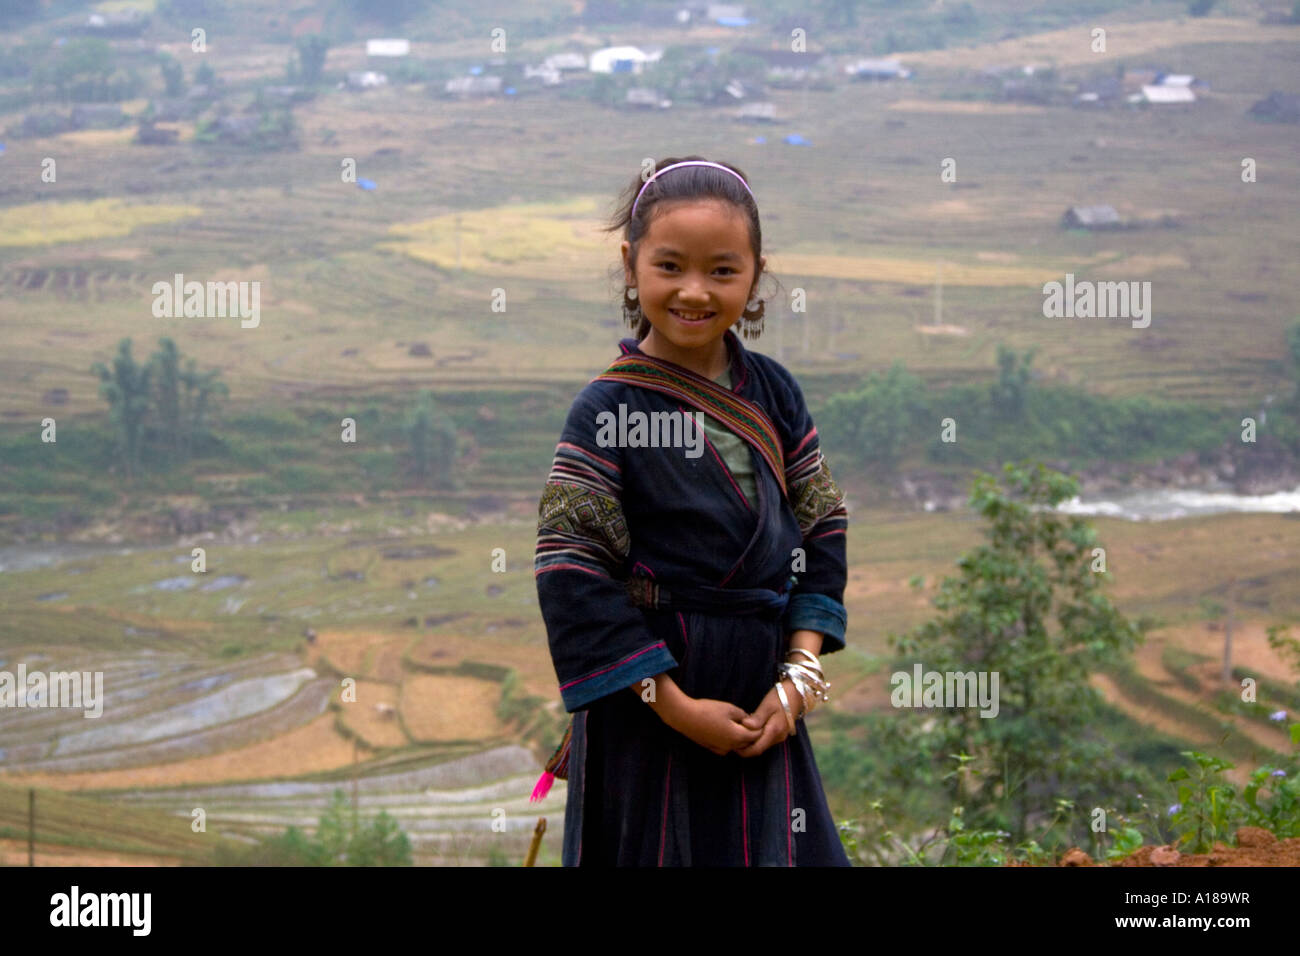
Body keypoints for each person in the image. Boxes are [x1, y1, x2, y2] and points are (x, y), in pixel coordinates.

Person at [532, 155, 851, 866]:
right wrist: (673, 704)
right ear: (630, 264)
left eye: (723, 271)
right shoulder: (607, 409)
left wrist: (799, 679)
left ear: (757, 273)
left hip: (760, 697)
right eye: (670, 266)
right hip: (650, 704)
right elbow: (571, 572)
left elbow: (822, 524)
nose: (694, 292)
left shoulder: (774, 392)